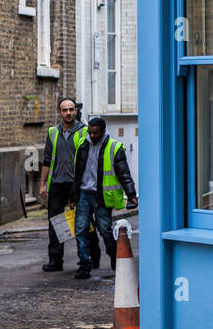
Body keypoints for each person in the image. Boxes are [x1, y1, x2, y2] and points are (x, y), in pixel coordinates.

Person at [71, 116, 139, 279]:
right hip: (83, 194)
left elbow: (124, 173)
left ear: (103, 131)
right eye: (90, 132)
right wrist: (73, 196)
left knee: (105, 231)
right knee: (80, 229)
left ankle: (116, 260)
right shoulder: (82, 145)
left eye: (95, 133)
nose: (92, 136)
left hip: (102, 197)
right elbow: (77, 173)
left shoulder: (114, 148)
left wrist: (131, 195)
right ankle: (84, 265)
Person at [39, 97, 87, 272]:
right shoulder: (53, 132)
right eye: (65, 110)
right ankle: (55, 260)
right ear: (59, 113)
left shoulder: (85, 132)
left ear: (76, 111)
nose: (68, 113)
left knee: (83, 223)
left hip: (78, 185)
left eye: (71, 109)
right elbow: (46, 160)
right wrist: (43, 184)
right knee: (55, 223)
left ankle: (87, 260)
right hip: (58, 184)